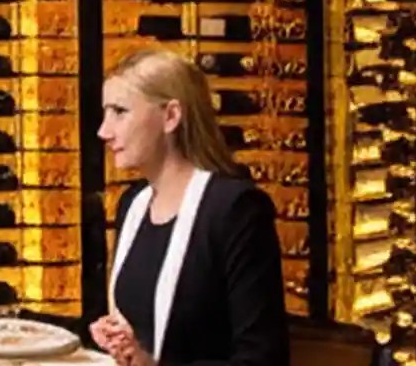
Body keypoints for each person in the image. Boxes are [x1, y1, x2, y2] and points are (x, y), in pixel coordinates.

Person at [88, 48, 289, 366]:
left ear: (170, 116)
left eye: (120, 112)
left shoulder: (236, 211)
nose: (104, 131)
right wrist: (116, 337)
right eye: (105, 113)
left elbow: (263, 359)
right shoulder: (133, 204)